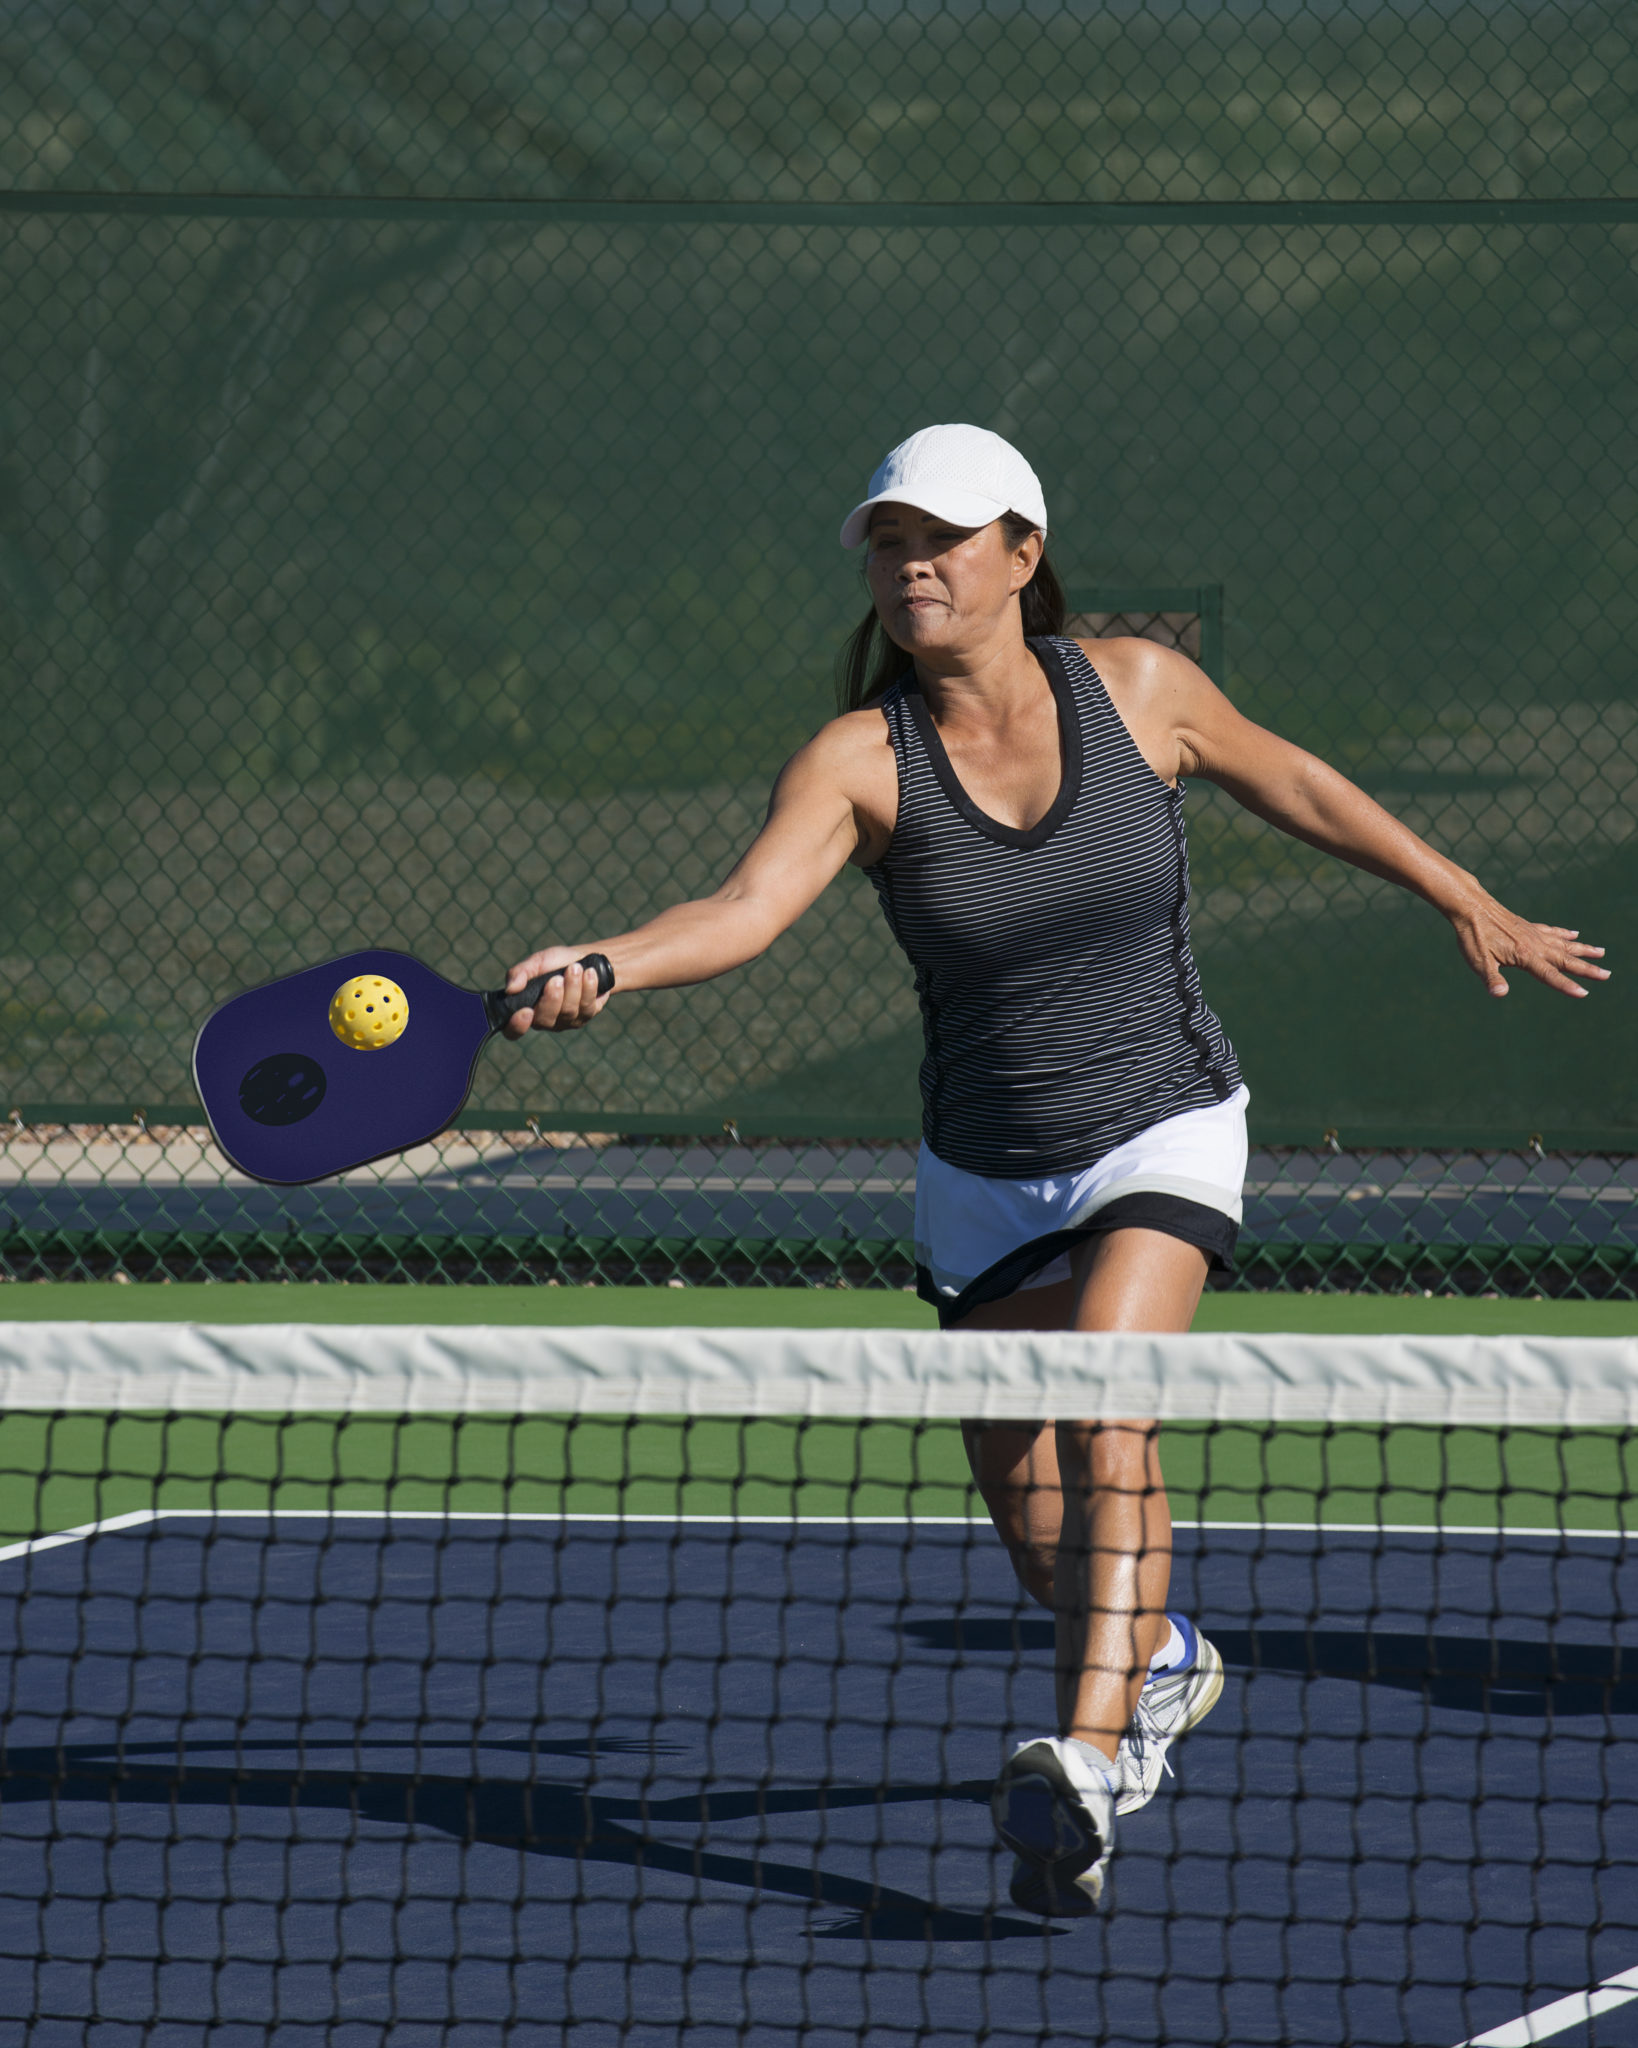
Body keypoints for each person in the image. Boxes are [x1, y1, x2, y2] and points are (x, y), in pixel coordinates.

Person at [500, 423, 1608, 1918]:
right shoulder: (857, 761)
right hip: (985, 1175)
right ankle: (1163, 1660)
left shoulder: (1139, 689)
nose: (913, 568)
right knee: (1041, 1548)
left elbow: (1297, 781)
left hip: (1161, 1121)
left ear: (1023, 553)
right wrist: (606, 962)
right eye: (892, 546)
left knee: (1109, 1413)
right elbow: (743, 911)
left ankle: (1084, 1760)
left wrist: (1458, 890)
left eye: (943, 540)